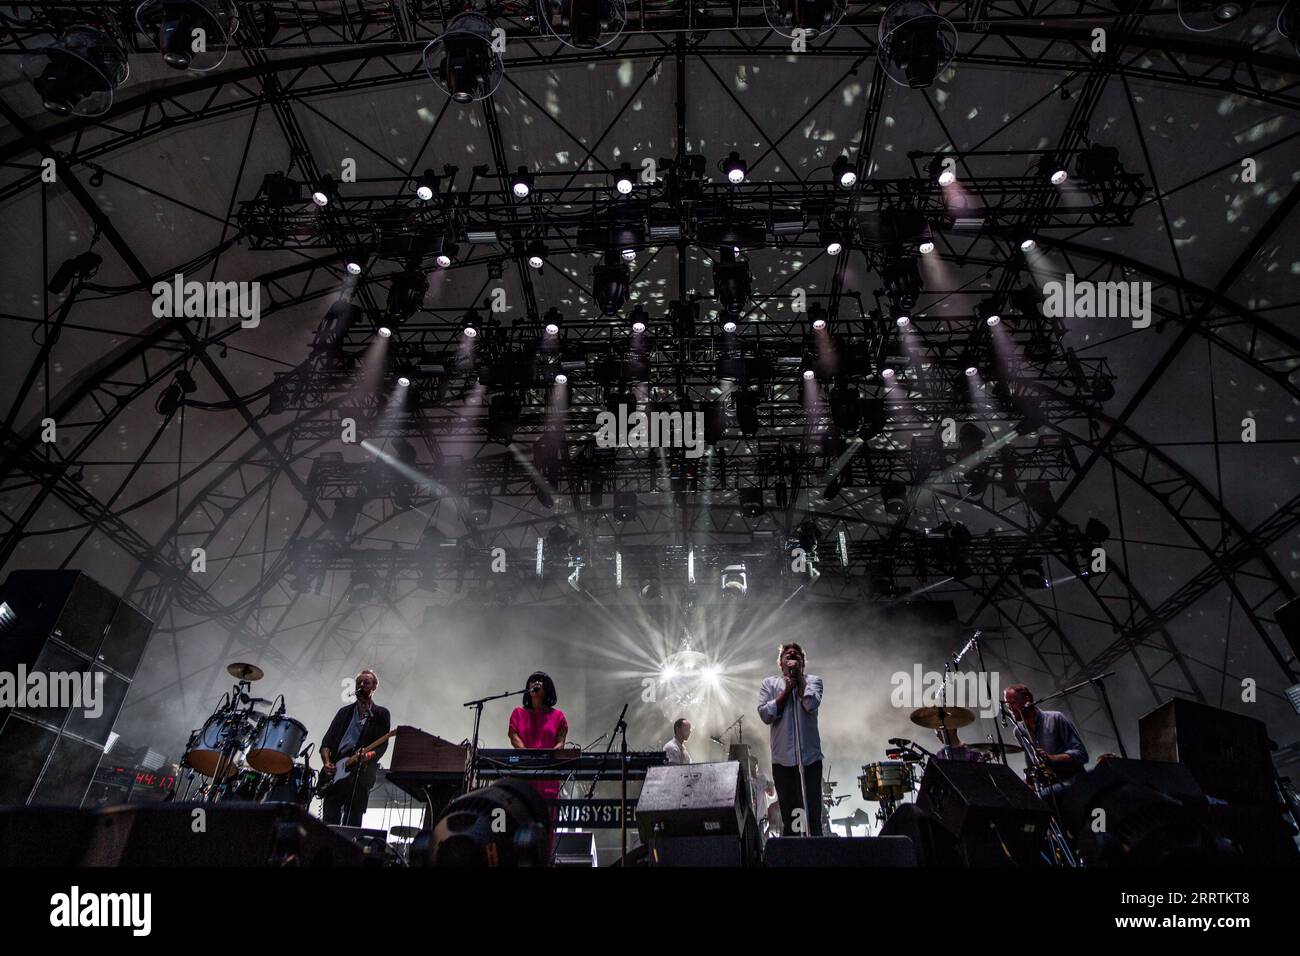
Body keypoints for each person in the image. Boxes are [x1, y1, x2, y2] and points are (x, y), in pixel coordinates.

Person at [757, 642, 824, 836]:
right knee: (791, 818)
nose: (792, 654)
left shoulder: (814, 681)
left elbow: (810, 704)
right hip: (783, 762)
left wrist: (800, 680)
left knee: (812, 817)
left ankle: (816, 856)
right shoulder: (769, 684)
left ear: (803, 663)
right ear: (781, 664)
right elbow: (765, 715)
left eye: (797, 655)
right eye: (787, 654)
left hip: (810, 760)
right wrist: (787, 690)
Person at [319, 669, 391, 827]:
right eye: (359, 682)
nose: (362, 684)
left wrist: (369, 755)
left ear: (374, 687)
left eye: (366, 682)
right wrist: (327, 762)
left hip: (361, 773)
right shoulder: (344, 712)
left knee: (353, 820)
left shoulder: (381, 714)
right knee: (329, 822)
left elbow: (382, 744)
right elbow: (326, 742)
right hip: (336, 769)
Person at [1002, 683, 1088, 784]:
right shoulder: (1018, 731)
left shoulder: (1056, 718)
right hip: (1049, 787)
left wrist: (1052, 758)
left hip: (1074, 783)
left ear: (1027, 699)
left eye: (1012, 703)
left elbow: (1082, 755)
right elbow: (1031, 765)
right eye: (1007, 705)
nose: (1010, 709)